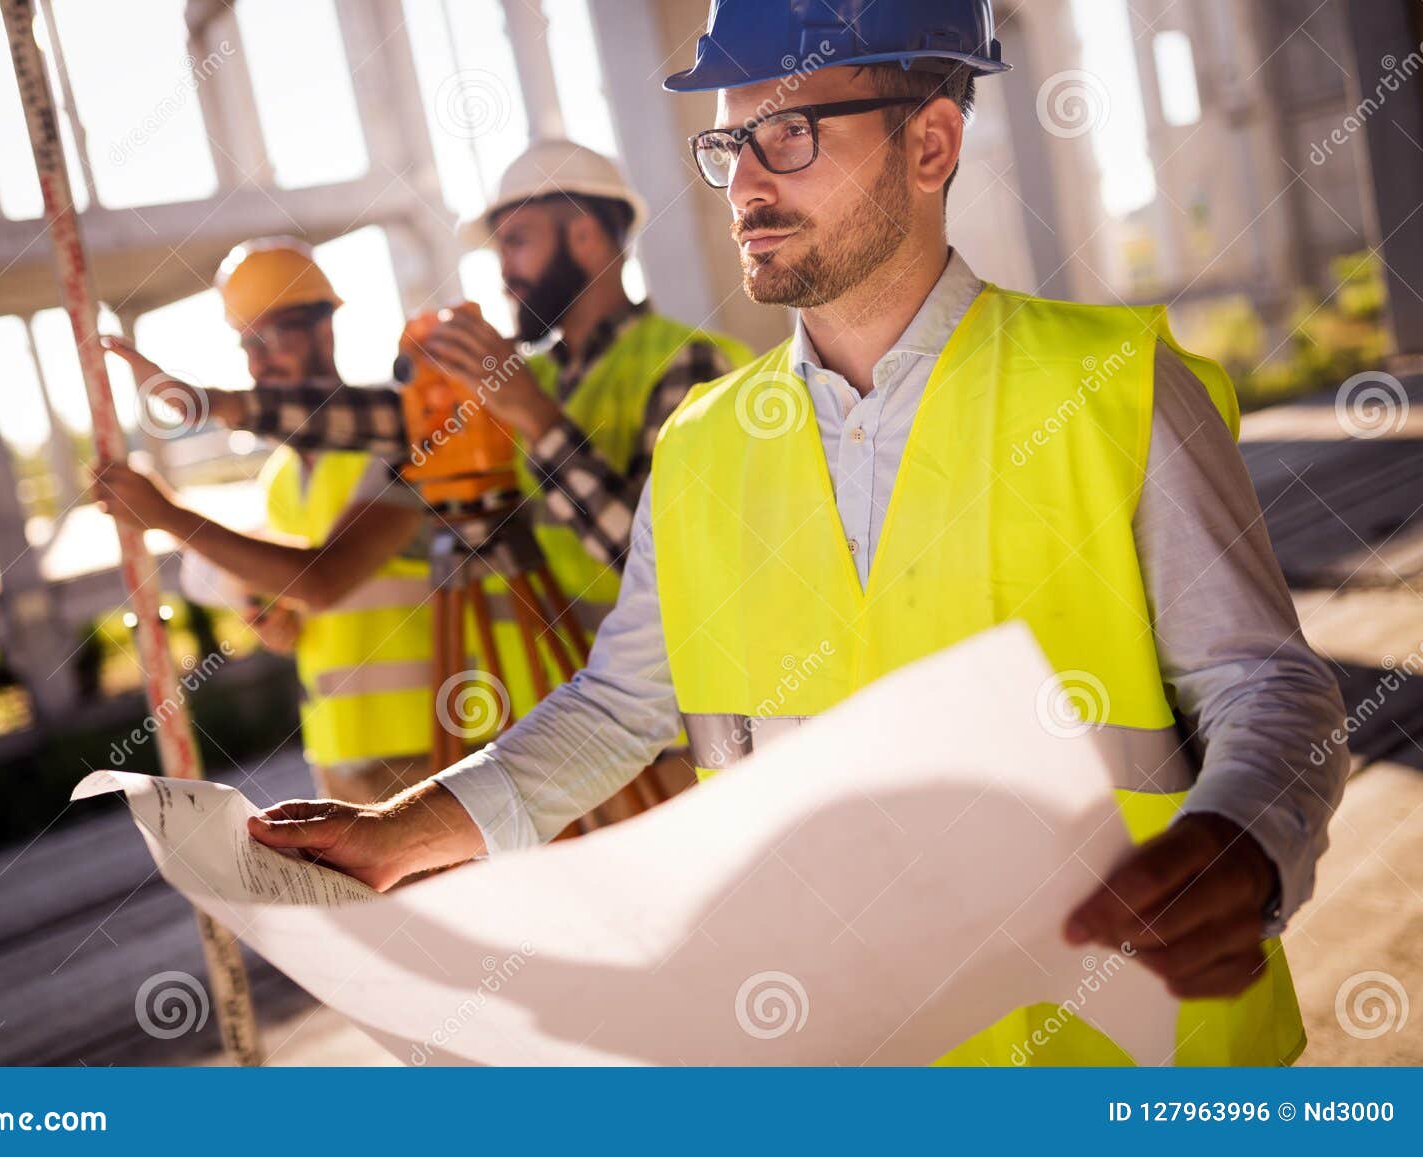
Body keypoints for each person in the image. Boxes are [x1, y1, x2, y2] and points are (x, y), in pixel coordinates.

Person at [227, 1, 1352, 1066]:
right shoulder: (704, 442)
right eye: (729, 147)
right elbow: (622, 705)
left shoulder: (1119, 388)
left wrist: (1244, 842)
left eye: (791, 133)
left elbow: (1265, 685)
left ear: (931, 143)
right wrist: (404, 826)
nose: (745, 183)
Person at [103, 144, 751, 806]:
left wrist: (538, 419)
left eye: (518, 243)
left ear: (585, 235)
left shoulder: (683, 365)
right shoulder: (538, 376)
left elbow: (669, 569)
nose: (504, 273)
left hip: (676, 731)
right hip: (569, 724)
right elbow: (379, 416)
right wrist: (217, 404)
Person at [99, 238, 436, 802]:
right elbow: (307, 599)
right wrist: (282, 623)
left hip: (433, 748)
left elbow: (324, 579)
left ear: (325, 328)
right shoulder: (280, 475)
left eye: (273, 337)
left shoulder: (401, 438)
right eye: (246, 343)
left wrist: (166, 516)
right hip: (338, 757)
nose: (258, 361)